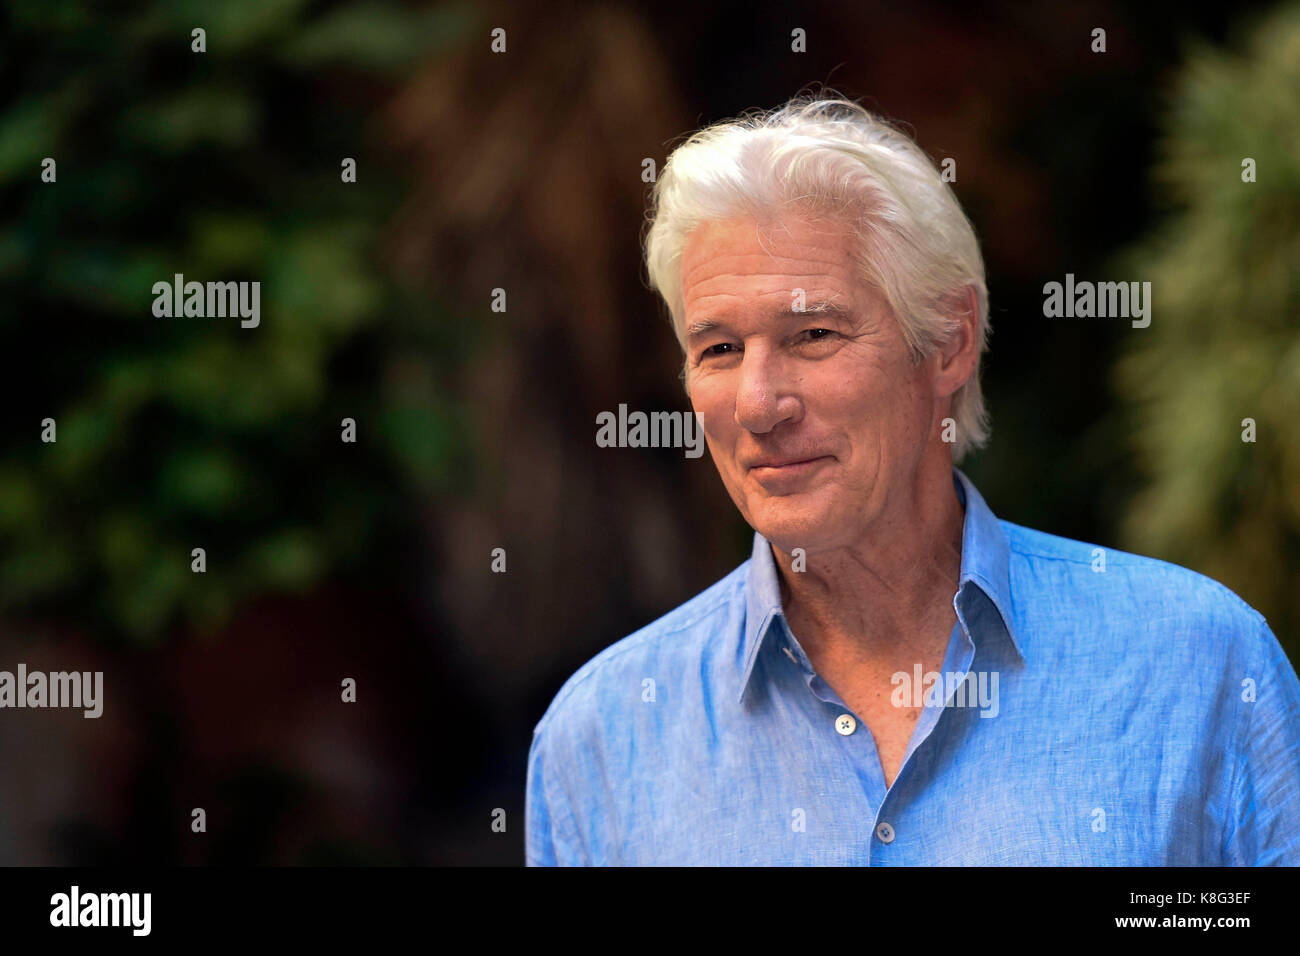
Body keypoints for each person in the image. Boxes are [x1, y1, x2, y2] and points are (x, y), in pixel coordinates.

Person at [525, 94, 1300, 865]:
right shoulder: (600, 740)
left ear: (949, 345)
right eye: (720, 349)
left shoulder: (1196, 662)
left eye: (813, 335)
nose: (759, 405)